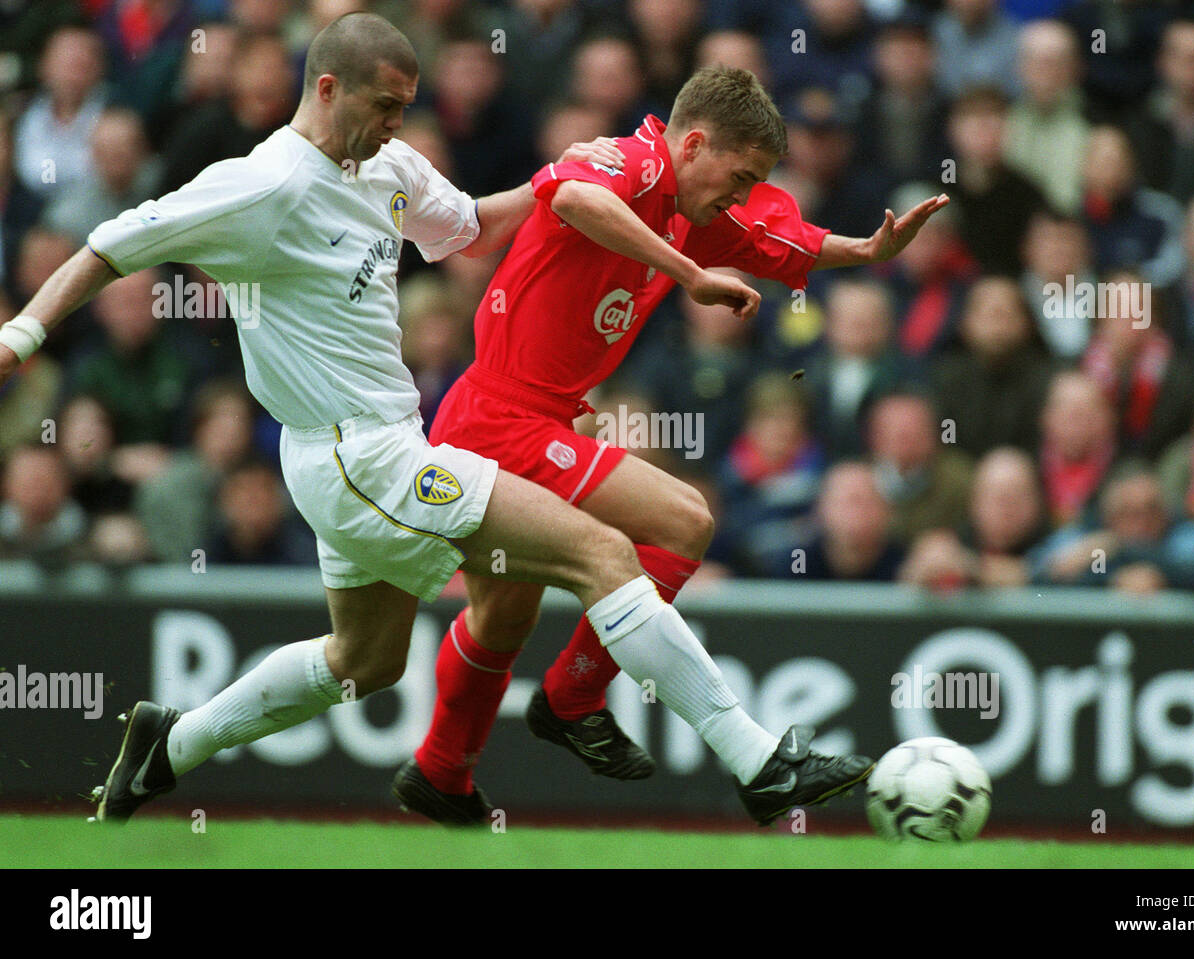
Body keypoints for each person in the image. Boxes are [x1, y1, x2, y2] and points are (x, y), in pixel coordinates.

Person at [0, 13, 873, 828]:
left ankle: (170, 743)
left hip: (388, 446)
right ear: (328, 88)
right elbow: (108, 244)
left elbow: (472, 228)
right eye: (385, 106)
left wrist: (564, 179)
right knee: (602, 553)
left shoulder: (389, 168)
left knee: (365, 660)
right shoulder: (260, 184)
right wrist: (24, 331)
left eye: (408, 107)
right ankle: (760, 764)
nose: (397, 123)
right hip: (354, 458)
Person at [401, 64, 946, 823]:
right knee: (683, 520)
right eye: (741, 173)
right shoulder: (630, 160)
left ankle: (439, 774)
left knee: (501, 617)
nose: (741, 192)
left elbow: (776, 240)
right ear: (693, 143)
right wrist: (688, 273)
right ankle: (575, 698)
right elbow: (573, 195)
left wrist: (864, 252)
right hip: (499, 418)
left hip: (536, 419)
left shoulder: (691, 207)